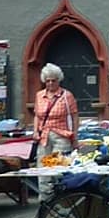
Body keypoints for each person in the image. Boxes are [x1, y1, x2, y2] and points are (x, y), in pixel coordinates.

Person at [33, 63, 78, 194]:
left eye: (54, 80)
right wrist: (36, 131)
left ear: (59, 80)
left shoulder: (66, 96)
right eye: (48, 81)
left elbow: (75, 117)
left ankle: (61, 200)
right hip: (44, 137)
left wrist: (75, 136)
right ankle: (45, 200)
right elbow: (37, 115)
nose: (51, 83)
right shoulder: (39, 95)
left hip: (62, 136)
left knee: (58, 169)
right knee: (43, 168)